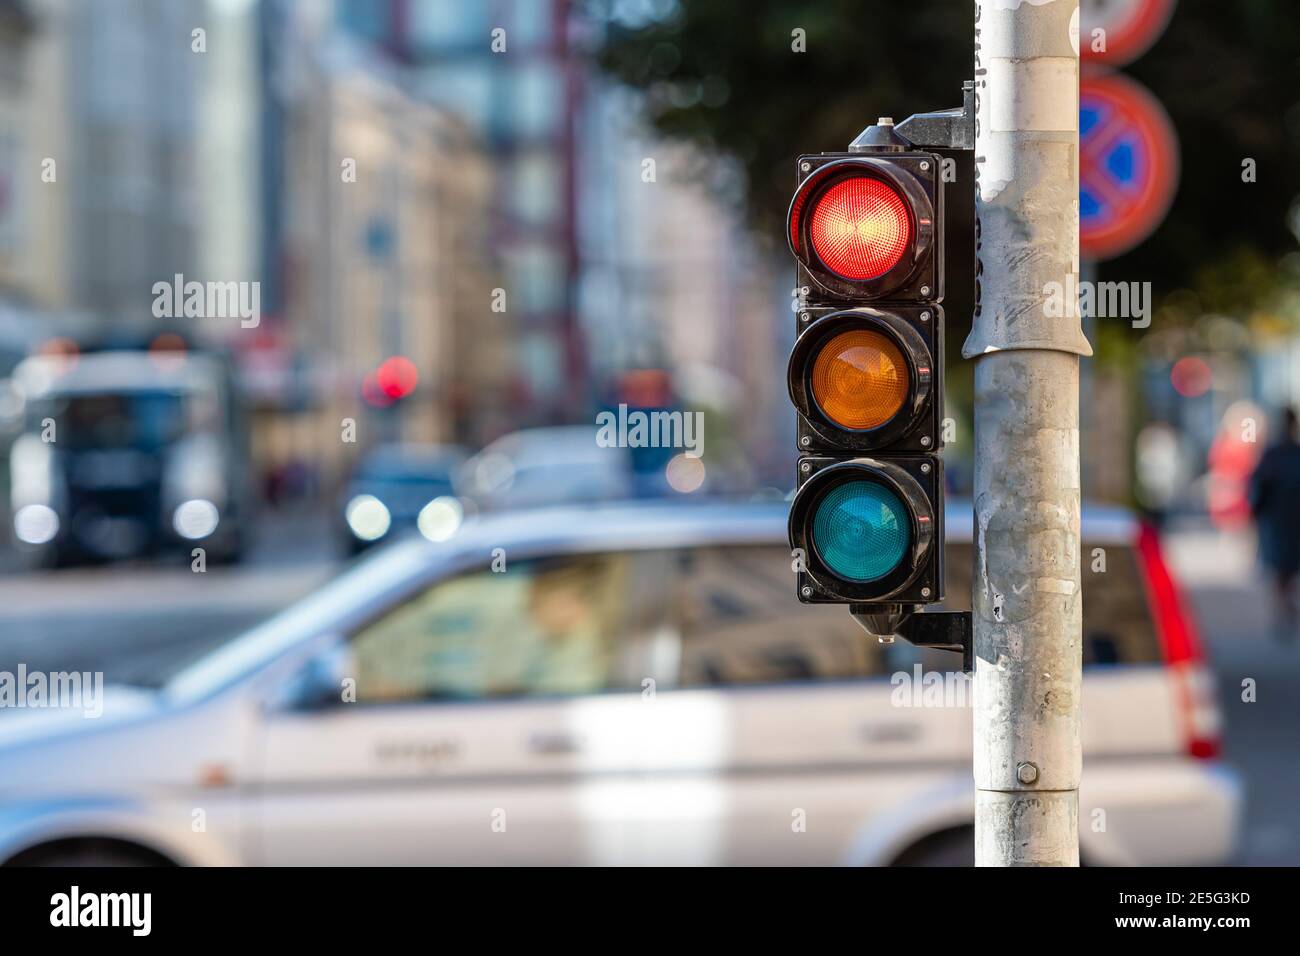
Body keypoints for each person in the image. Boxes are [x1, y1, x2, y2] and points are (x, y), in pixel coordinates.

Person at [1248, 407, 1300, 643]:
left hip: (1279, 521)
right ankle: (1287, 609)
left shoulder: (1273, 454)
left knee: (1281, 570)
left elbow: (1259, 487)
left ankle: (1285, 609)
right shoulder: (1286, 454)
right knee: (1286, 569)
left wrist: (1256, 512)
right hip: (1288, 520)